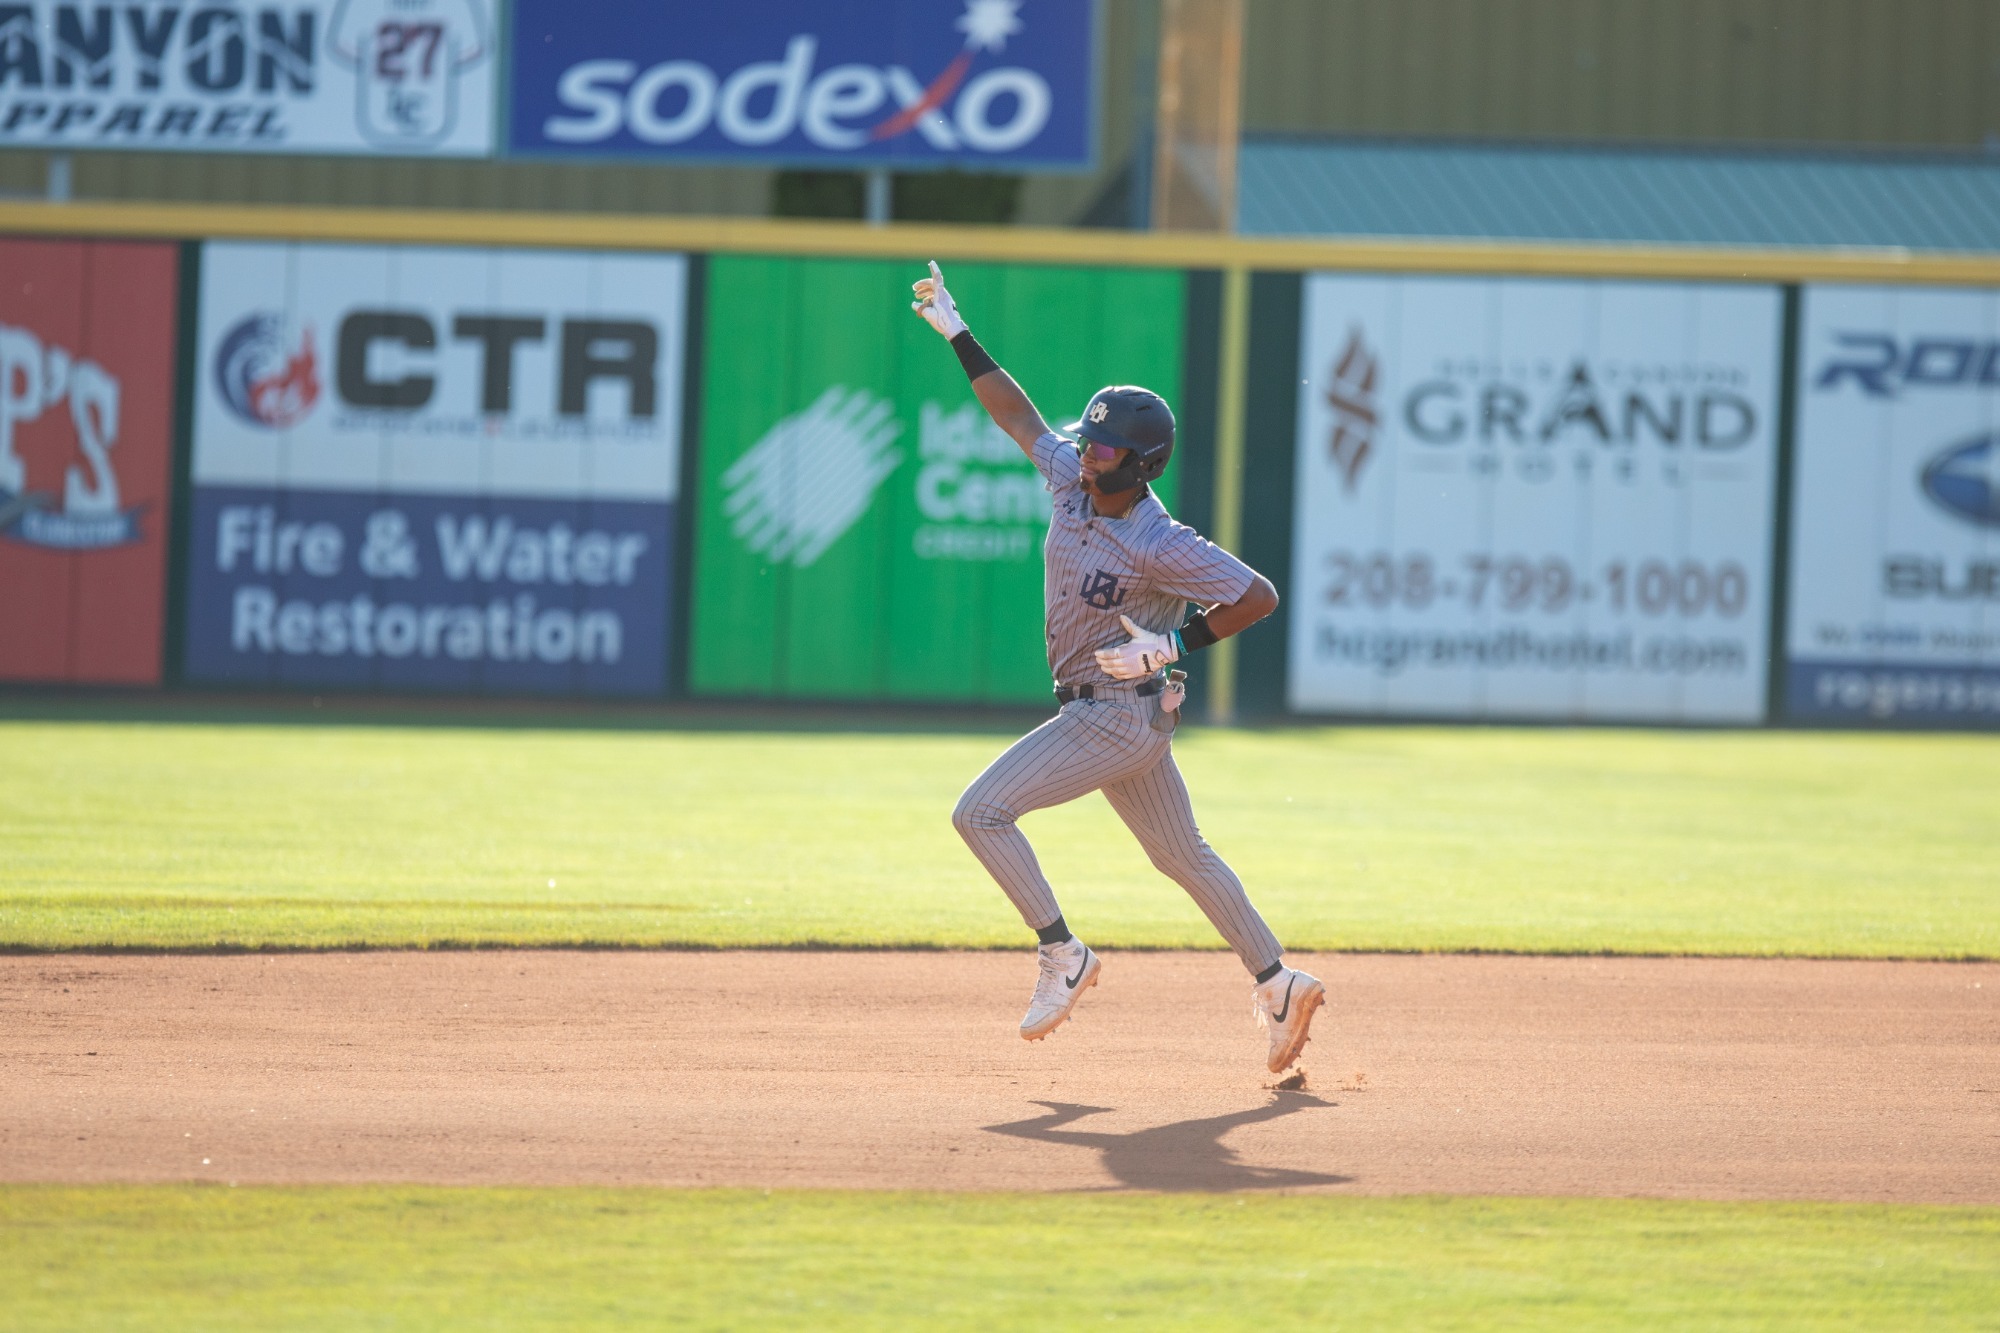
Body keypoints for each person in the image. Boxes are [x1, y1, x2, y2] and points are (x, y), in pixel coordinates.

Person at [911, 262, 1325, 1074]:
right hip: (1119, 712)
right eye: (1088, 438)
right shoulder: (1072, 480)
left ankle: (1062, 952)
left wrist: (1173, 645)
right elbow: (1019, 417)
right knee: (1183, 856)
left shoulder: (1159, 541)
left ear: (1141, 463)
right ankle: (1279, 982)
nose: (1085, 451)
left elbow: (1258, 595)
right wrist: (959, 333)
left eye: (1103, 446)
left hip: (1114, 711)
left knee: (980, 813)